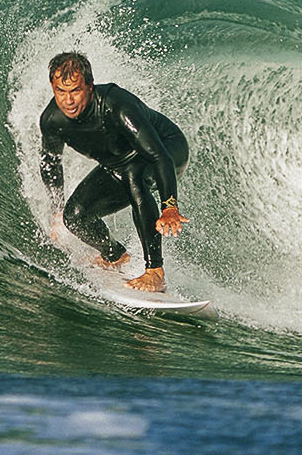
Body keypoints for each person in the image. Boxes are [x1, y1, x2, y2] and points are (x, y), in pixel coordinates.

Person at [38, 52, 189, 293]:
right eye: (61, 91)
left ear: (89, 86)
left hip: (168, 149)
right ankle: (115, 255)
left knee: (135, 176)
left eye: (75, 90)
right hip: (119, 164)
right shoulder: (52, 121)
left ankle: (155, 272)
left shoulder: (117, 106)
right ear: (52, 87)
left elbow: (159, 156)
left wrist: (169, 205)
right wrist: (56, 209)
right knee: (74, 217)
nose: (68, 101)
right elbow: (50, 163)